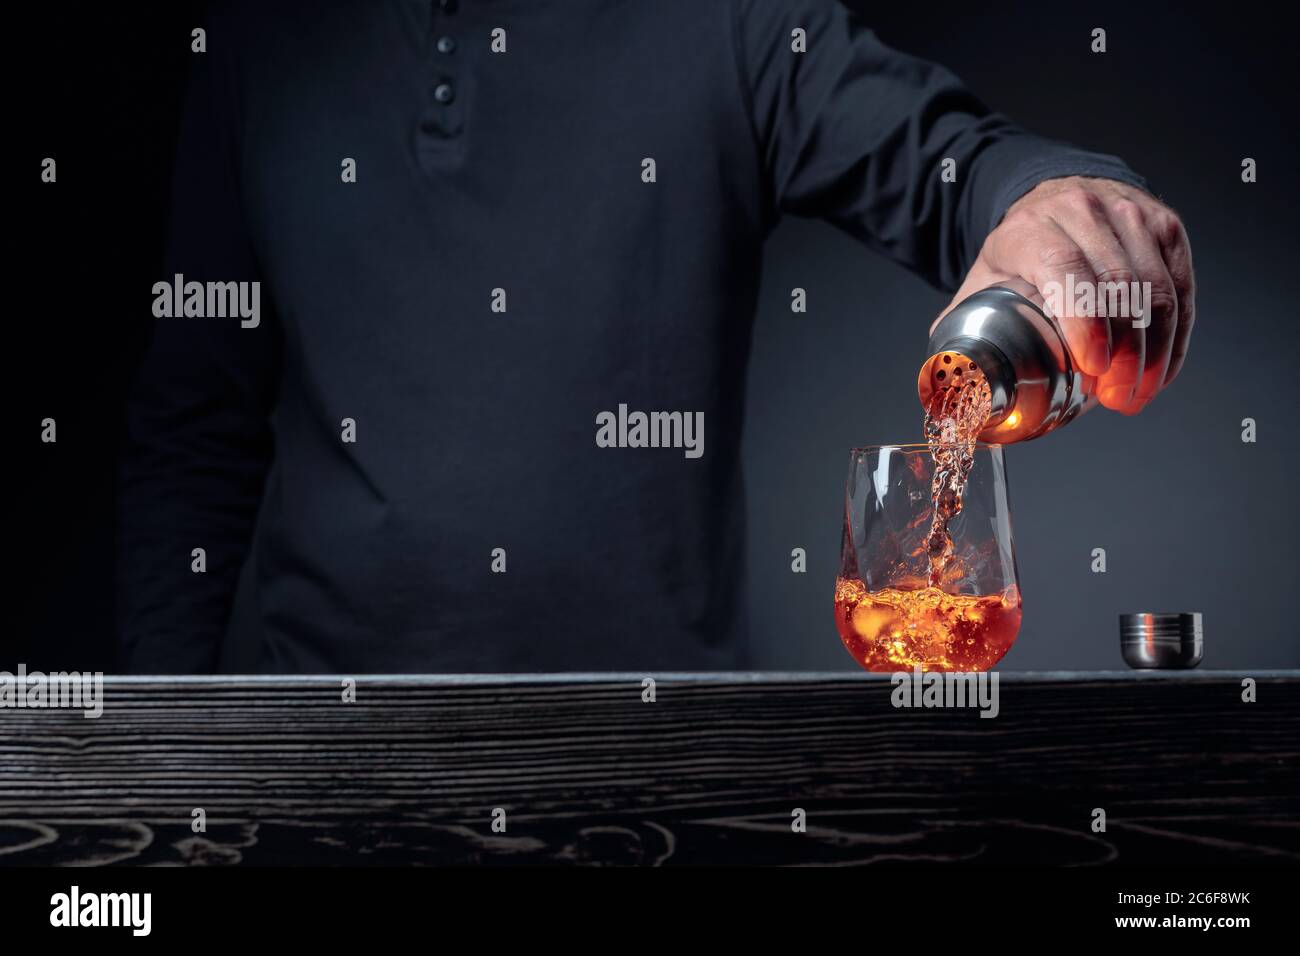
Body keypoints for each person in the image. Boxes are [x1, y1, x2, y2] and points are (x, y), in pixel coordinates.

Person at [118, 0, 1194, 673]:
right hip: (329, 777)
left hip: (669, 779)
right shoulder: (258, 38)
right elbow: (191, 428)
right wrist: (161, 759)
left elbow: (948, 159)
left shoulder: (726, 22)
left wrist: (1059, 202)